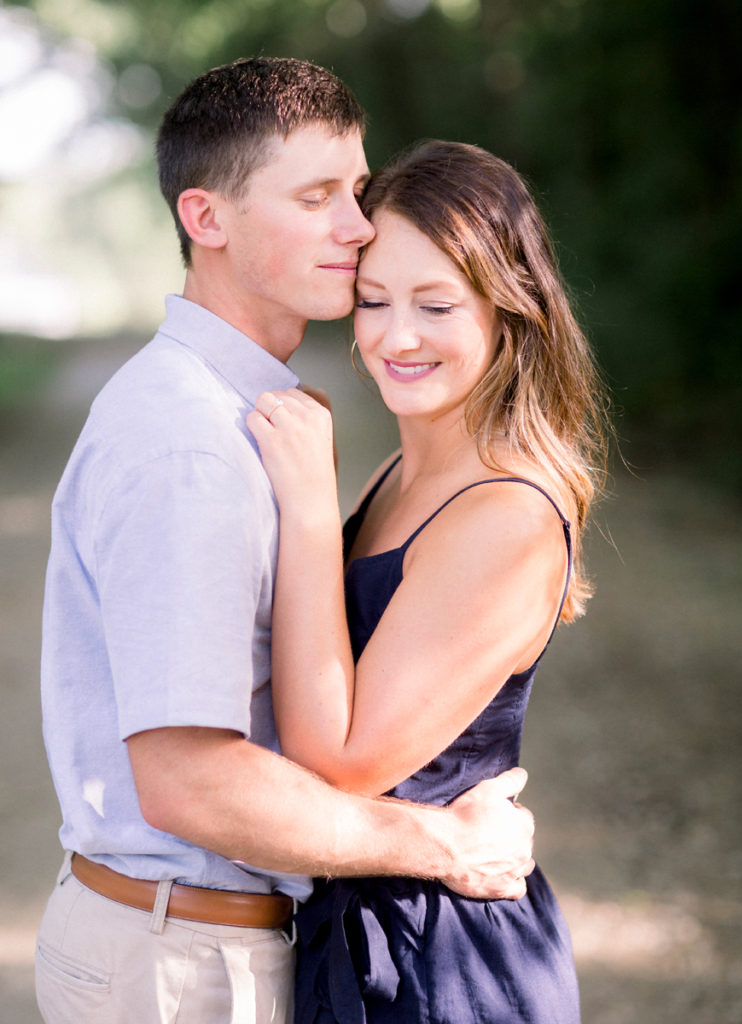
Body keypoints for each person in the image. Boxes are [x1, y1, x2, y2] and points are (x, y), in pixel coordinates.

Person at [34, 61, 535, 1024]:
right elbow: (188, 779)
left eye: (354, 189)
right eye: (315, 197)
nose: (356, 226)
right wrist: (443, 844)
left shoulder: (243, 412)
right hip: (179, 968)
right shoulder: (191, 442)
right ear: (206, 218)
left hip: (200, 944)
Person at [248, 139, 611, 1023]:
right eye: (374, 300)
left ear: (508, 311)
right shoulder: (396, 476)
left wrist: (304, 510)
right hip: (357, 924)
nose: (395, 335)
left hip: (443, 960)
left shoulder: (509, 514)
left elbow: (341, 762)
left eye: (437, 304)